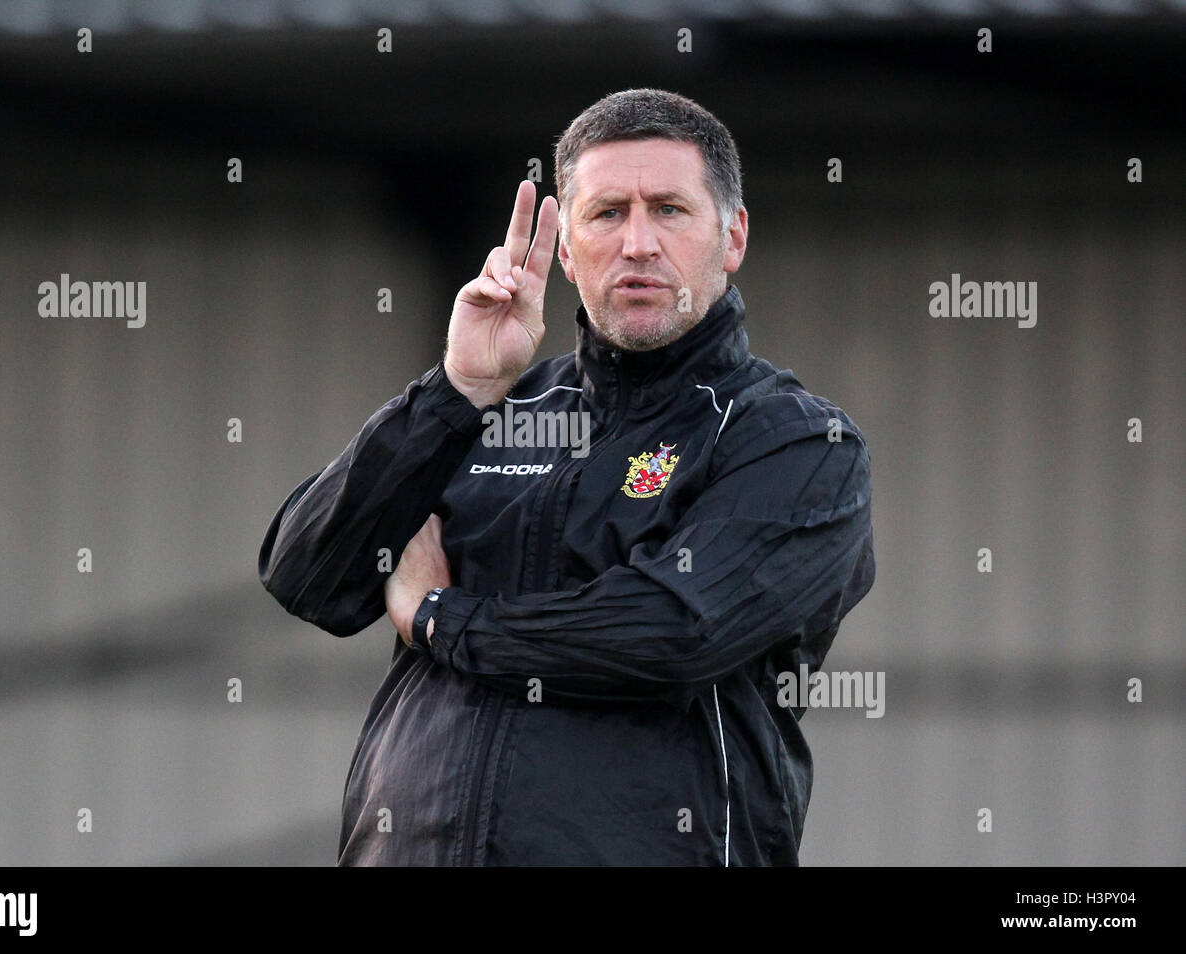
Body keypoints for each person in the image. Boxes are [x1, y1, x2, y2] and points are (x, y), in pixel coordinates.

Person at [258, 88, 876, 866]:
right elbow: (308, 577)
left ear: (733, 235)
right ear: (569, 248)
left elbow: (673, 631)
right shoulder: (486, 409)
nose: (639, 243)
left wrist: (444, 619)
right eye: (608, 213)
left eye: (671, 211)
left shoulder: (792, 438)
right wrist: (456, 390)